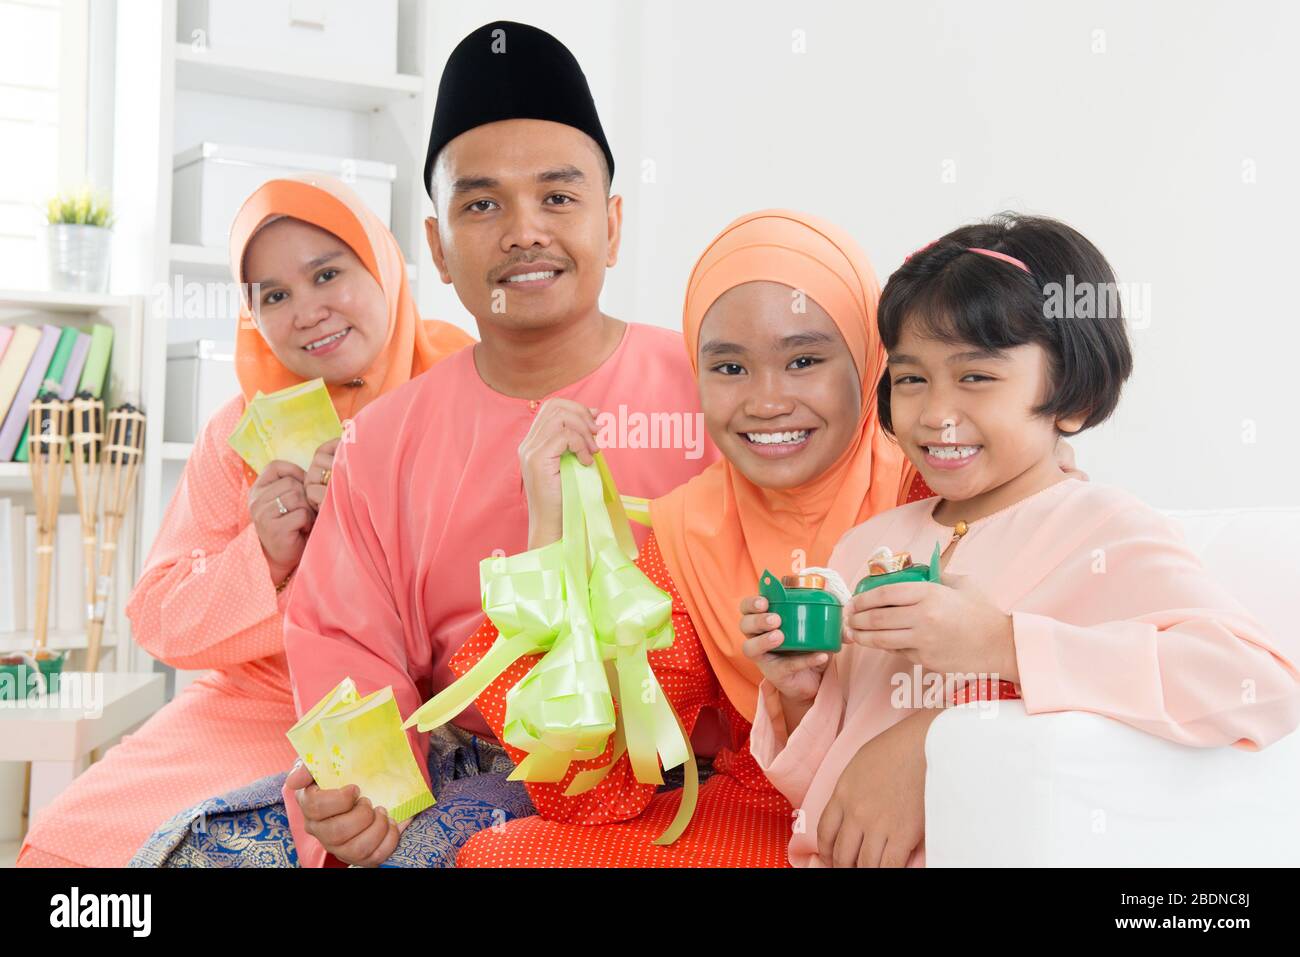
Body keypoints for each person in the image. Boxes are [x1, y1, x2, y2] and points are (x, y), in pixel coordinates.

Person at [136, 21, 720, 869]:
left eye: (558, 197)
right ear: (439, 245)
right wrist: (365, 793)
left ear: (613, 223)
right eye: (482, 204)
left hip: (690, 773)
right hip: (476, 775)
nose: (524, 230)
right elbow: (348, 649)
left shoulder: (714, 387)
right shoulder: (382, 440)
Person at [743, 213, 1300, 867]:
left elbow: (1257, 686)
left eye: (976, 376)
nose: (935, 412)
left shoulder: (1101, 530)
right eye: (912, 377)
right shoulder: (867, 544)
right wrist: (798, 689)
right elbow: (827, 796)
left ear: (1073, 396)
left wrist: (997, 648)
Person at [449, 209, 936, 866]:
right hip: (765, 812)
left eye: (803, 359)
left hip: (934, 801)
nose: (766, 401)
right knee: (502, 856)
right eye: (729, 368)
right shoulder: (691, 531)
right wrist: (549, 533)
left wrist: (919, 744)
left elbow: (1035, 655)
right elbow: (588, 791)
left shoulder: (933, 482)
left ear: (868, 360)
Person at [18, 173, 471, 868]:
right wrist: (264, 555)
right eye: (275, 295)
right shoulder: (239, 431)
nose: (308, 311)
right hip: (256, 707)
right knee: (65, 845)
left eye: (327, 274)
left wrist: (376, 509)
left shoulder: (465, 394)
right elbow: (159, 617)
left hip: (420, 709)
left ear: (383, 266)